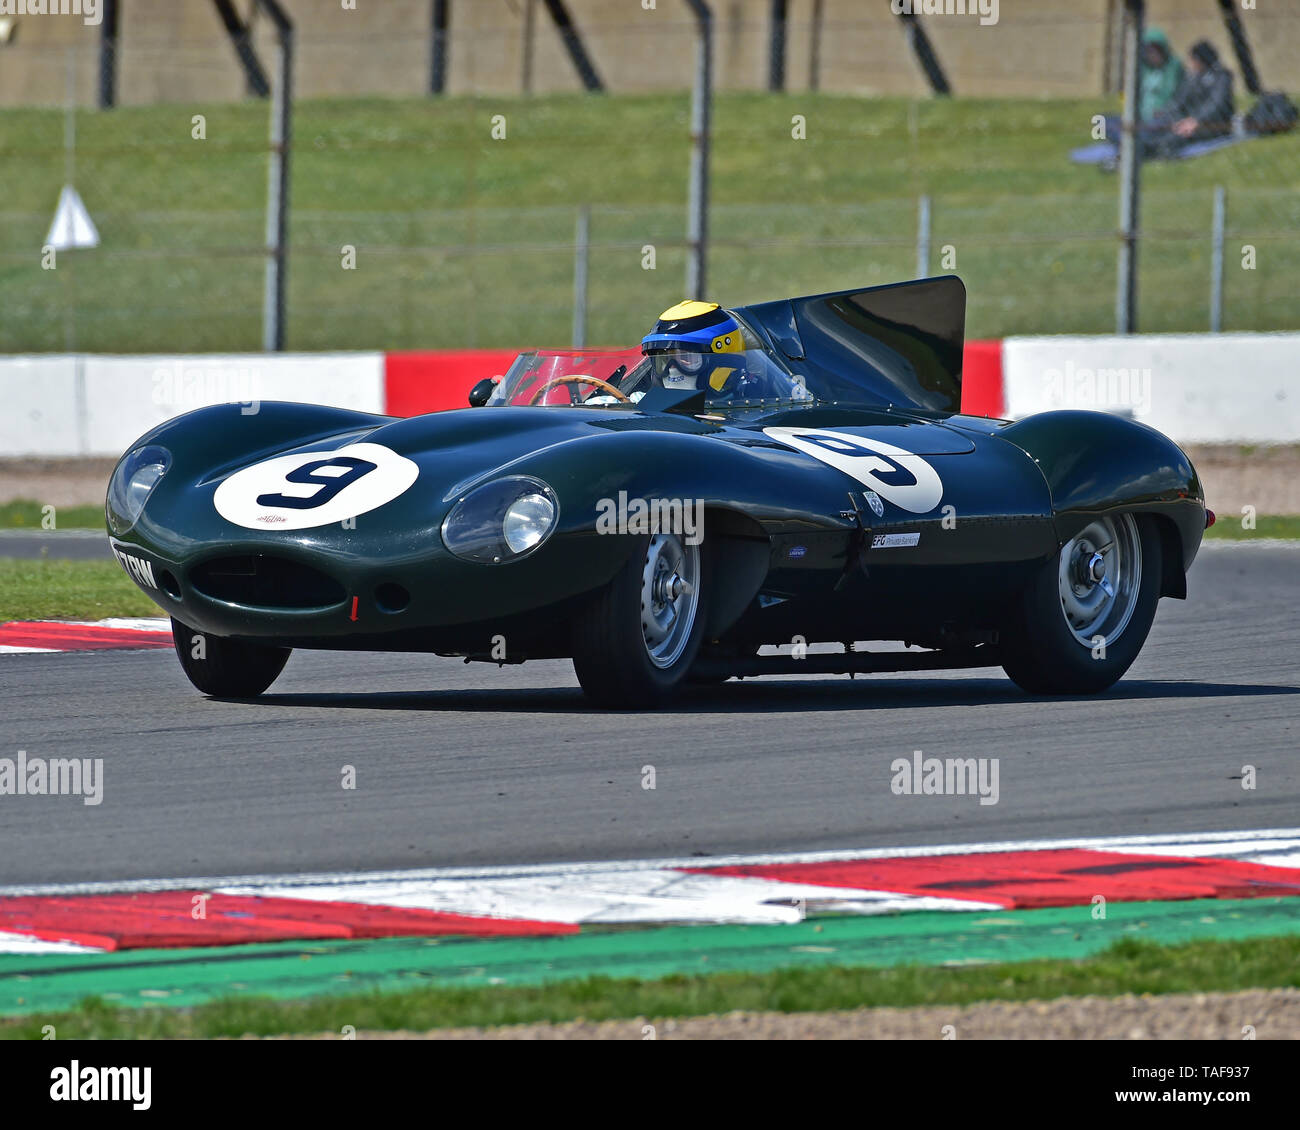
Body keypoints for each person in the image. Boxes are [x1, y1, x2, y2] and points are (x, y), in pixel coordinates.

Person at [639, 300, 809, 403]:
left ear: (722, 358)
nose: (672, 368)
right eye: (663, 359)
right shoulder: (643, 403)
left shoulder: (760, 401)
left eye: (685, 357)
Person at [1143, 39, 1235, 156]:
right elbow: (1180, 99)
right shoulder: (1193, 77)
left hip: (1213, 124)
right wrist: (1166, 112)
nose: (1190, 63)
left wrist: (1196, 120)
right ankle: (1141, 145)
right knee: (1159, 125)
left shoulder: (1222, 77)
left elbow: (1215, 105)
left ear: (1201, 60)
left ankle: (1153, 149)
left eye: (1192, 60)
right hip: (1189, 119)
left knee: (1178, 134)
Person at [1139, 27, 1184, 122]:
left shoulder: (1173, 67)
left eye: (1153, 51)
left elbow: (1173, 93)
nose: (1150, 55)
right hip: (1142, 112)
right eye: (1147, 51)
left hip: (1164, 115)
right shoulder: (1144, 68)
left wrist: (1163, 109)